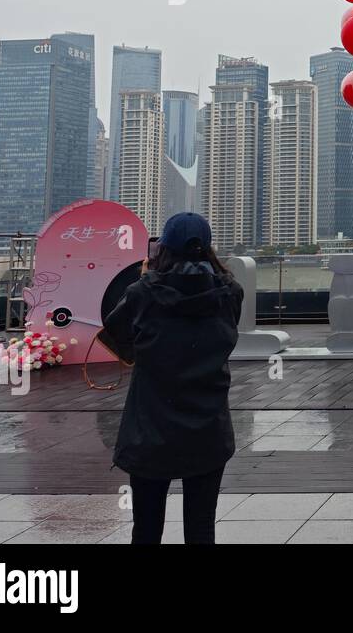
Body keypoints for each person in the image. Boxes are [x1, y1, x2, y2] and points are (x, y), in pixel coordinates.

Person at [102, 212, 242, 544]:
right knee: (201, 528)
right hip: (208, 426)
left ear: (163, 248)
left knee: (147, 530)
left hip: (151, 428)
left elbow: (115, 328)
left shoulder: (143, 292)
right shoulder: (229, 292)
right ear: (208, 248)